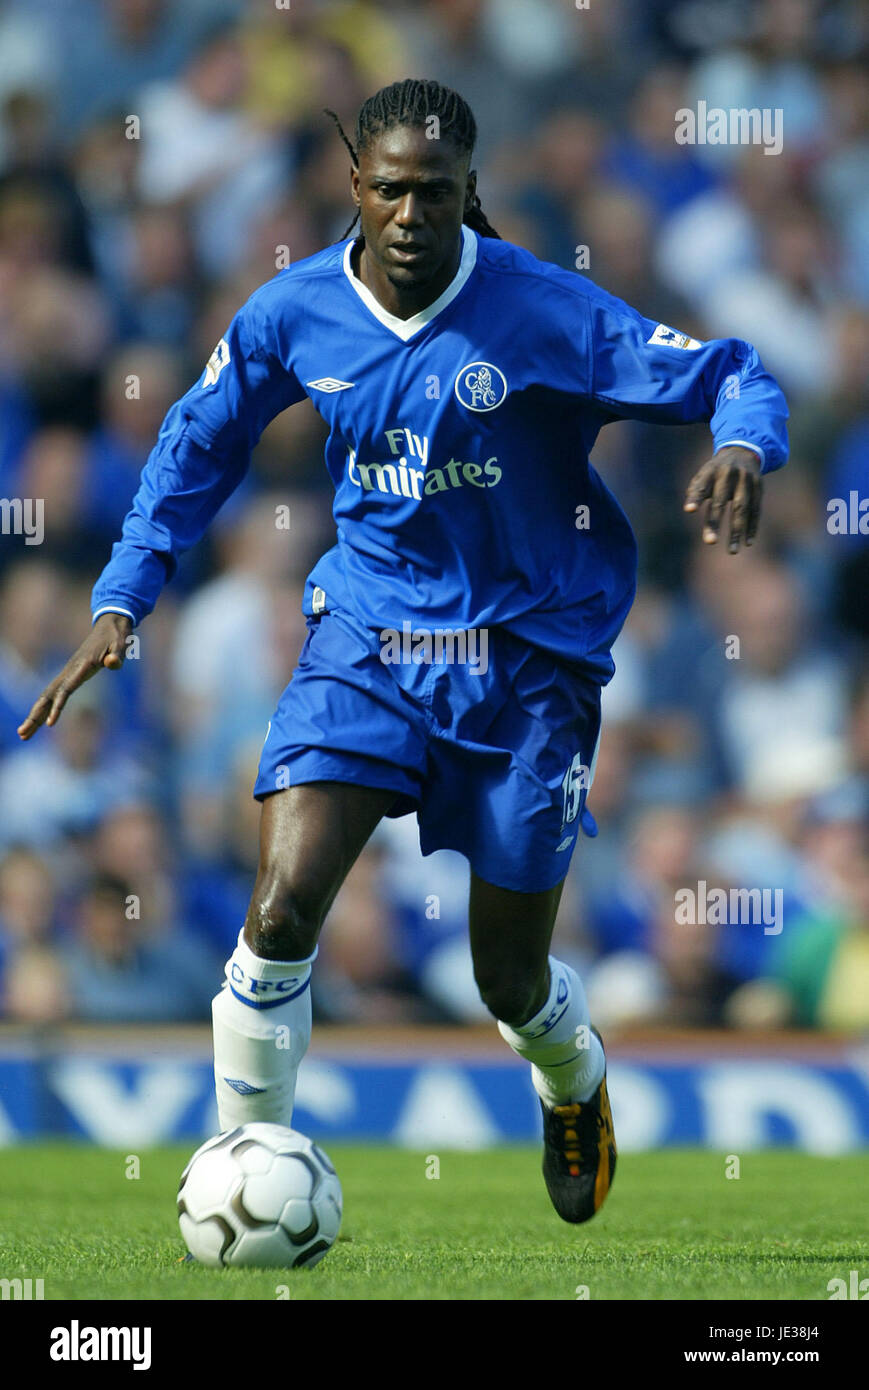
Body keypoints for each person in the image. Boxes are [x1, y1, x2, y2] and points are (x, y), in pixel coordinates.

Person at [17, 79, 788, 1225]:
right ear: (356, 191)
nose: (413, 213)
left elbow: (731, 369)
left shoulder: (542, 311)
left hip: (526, 669)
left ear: (469, 191)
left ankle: (571, 1081)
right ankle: (245, 1157)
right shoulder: (293, 313)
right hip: (366, 644)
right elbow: (192, 445)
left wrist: (741, 441)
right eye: (390, 191)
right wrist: (123, 598)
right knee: (279, 909)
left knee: (506, 981)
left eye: (435, 191)